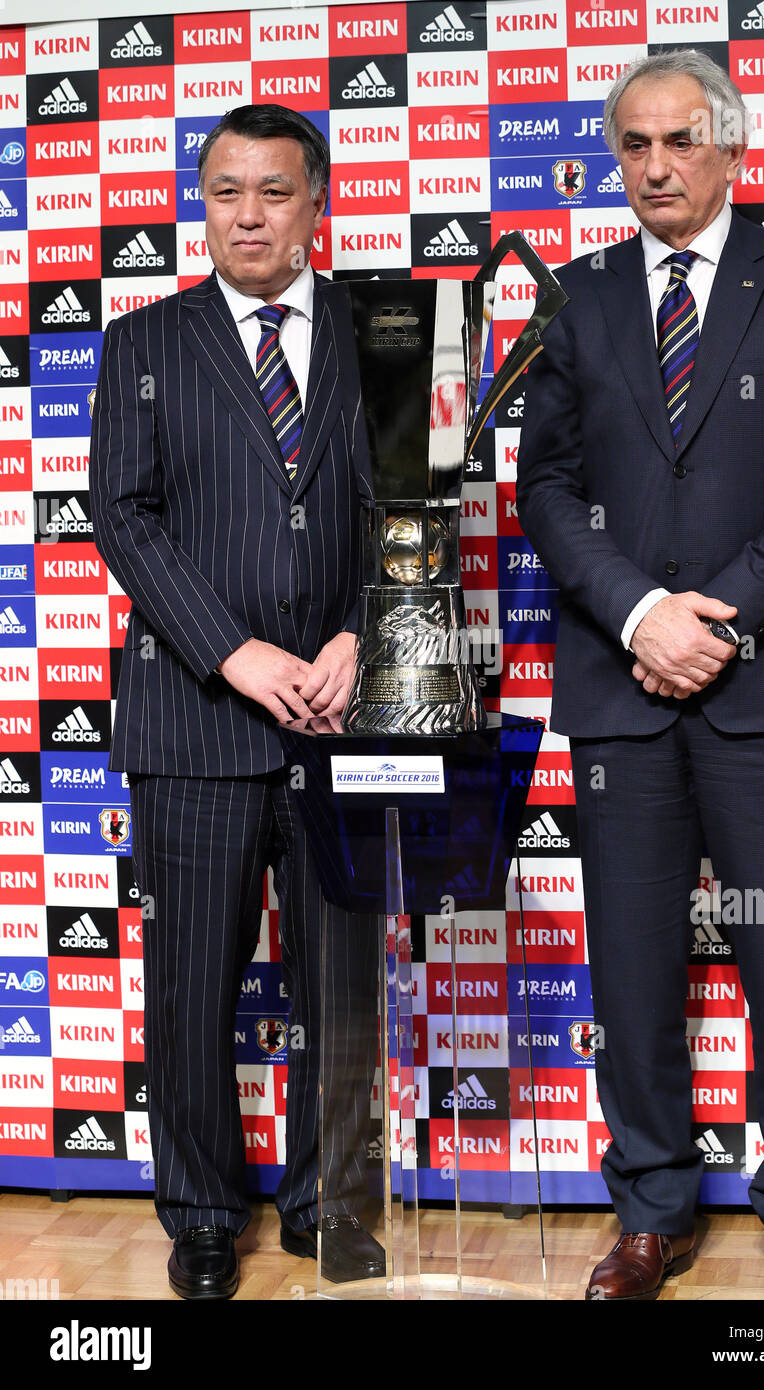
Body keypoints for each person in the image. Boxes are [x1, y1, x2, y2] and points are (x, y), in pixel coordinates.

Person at [516, 49, 764, 1302]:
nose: (657, 165)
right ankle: (650, 1211)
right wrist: (638, 615)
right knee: (630, 963)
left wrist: (714, 623)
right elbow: (547, 491)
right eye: (634, 144)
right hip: (624, 684)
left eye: (681, 140)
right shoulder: (582, 296)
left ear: (732, 151)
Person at [89, 104, 382, 1299]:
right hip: (196, 719)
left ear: (317, 202)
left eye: (273, 191)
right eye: (224, 192)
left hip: (343, 717)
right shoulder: (145, 341)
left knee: (342, 988)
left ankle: (326, 1201)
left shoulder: (386, 334)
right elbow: (124, 513)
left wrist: (366, 631)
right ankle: (204, 1214)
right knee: (192, 985)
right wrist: (237, 653)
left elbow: (415, 501)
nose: (248, 214)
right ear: (201, 202)